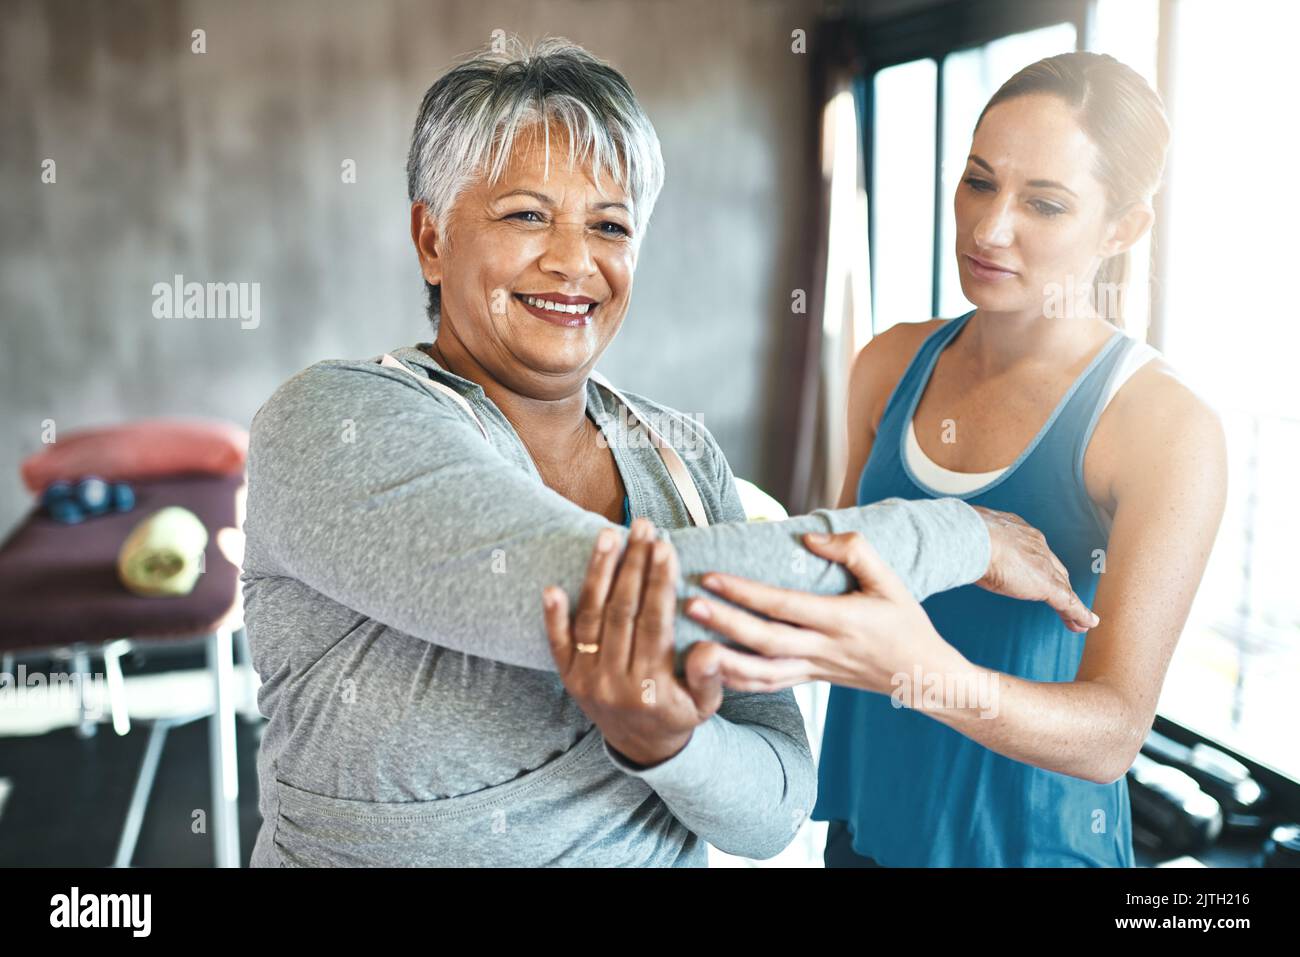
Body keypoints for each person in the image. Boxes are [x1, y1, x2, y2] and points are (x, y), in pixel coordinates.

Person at [241, 37, 1089, 867]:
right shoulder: (330, 420)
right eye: (527, 214)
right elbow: (589, 593)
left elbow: (777, 806)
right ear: (431, 237)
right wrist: (960, 535)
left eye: (609, 225)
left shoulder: (679, 456)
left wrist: (671, 744)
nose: (575, 261)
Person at [637, 52, 1227, 866]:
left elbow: (1113, 734)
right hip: (863, 836)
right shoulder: (890, 363)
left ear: (1123, 227)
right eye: (978, 181)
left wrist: (922, 671)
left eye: (1045, 203)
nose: (989, 228)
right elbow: (840, 574)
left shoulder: (1163, 425)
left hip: (1026, 849)